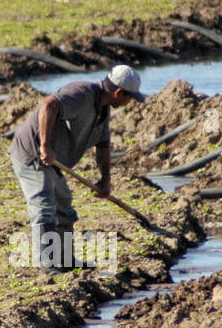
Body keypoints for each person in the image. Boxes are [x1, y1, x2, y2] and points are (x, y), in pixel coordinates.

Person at [8, 65, 145, 270]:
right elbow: (49, 106)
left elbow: (103, 145)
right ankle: (47, 264)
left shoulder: (103, 109)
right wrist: (45, 146)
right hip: (34, 153)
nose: (129, 102)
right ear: (119, 93)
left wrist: (105, 180)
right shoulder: (81, 94)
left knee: (64, 206)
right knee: (44, 206)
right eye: (130, 98)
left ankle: (64, 259)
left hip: (54, 160)